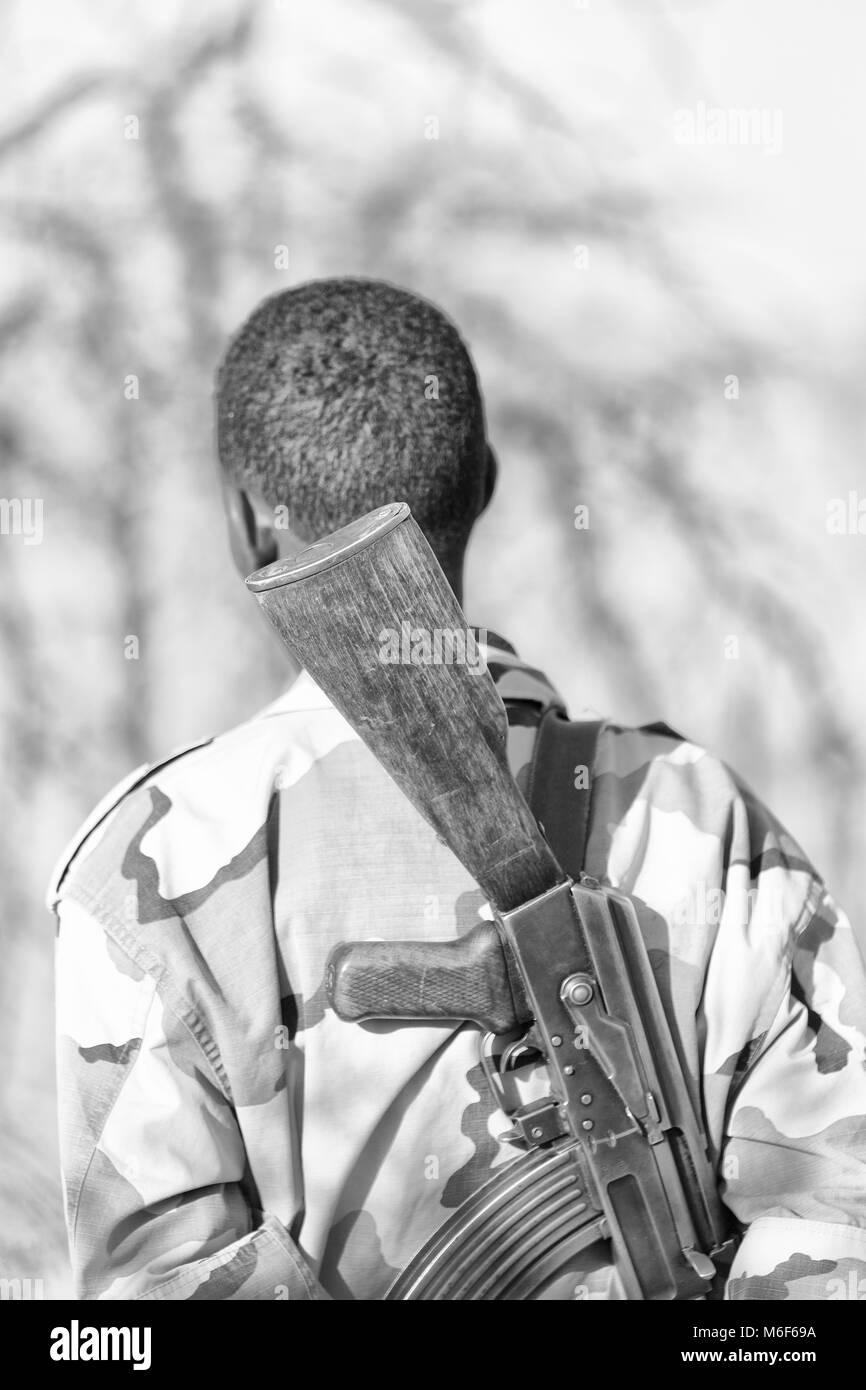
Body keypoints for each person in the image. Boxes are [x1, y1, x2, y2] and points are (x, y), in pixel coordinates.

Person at [49, 277, 866, 1300]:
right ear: (481, 483)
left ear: (248, 523)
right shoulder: (699, 816)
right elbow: (835, 1234)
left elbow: (139, 1307)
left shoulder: (153, 860)